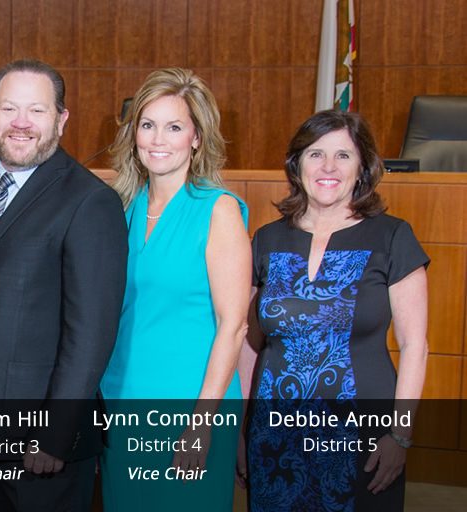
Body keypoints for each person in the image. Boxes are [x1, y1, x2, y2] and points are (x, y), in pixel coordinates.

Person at [0, 59, 128, 511]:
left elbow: (91, 334)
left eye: (37, 111)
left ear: (61, 120)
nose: (21, 123)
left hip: (41, 444)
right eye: (8, 108)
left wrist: (55, 434)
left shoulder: (90, 201)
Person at [240, 110, 428, 511]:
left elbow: (415, 345)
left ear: (362, 166)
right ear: (297, 164)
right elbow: (250, 343)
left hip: (365, 436)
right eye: (315, 154)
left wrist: (401, 435)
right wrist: (241, 431)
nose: (328, 167)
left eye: (343, 155)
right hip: (275, 437)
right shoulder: (267, 239)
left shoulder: (393, 236)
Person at [98, 67, 251, 511]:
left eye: (174, 127)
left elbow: (233, 326)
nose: (158, 139)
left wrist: (201, 423)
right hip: (121, 401)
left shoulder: (217, 210)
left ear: (197, 138)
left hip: (190, 404)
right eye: (147, 125)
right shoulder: (120, 209)